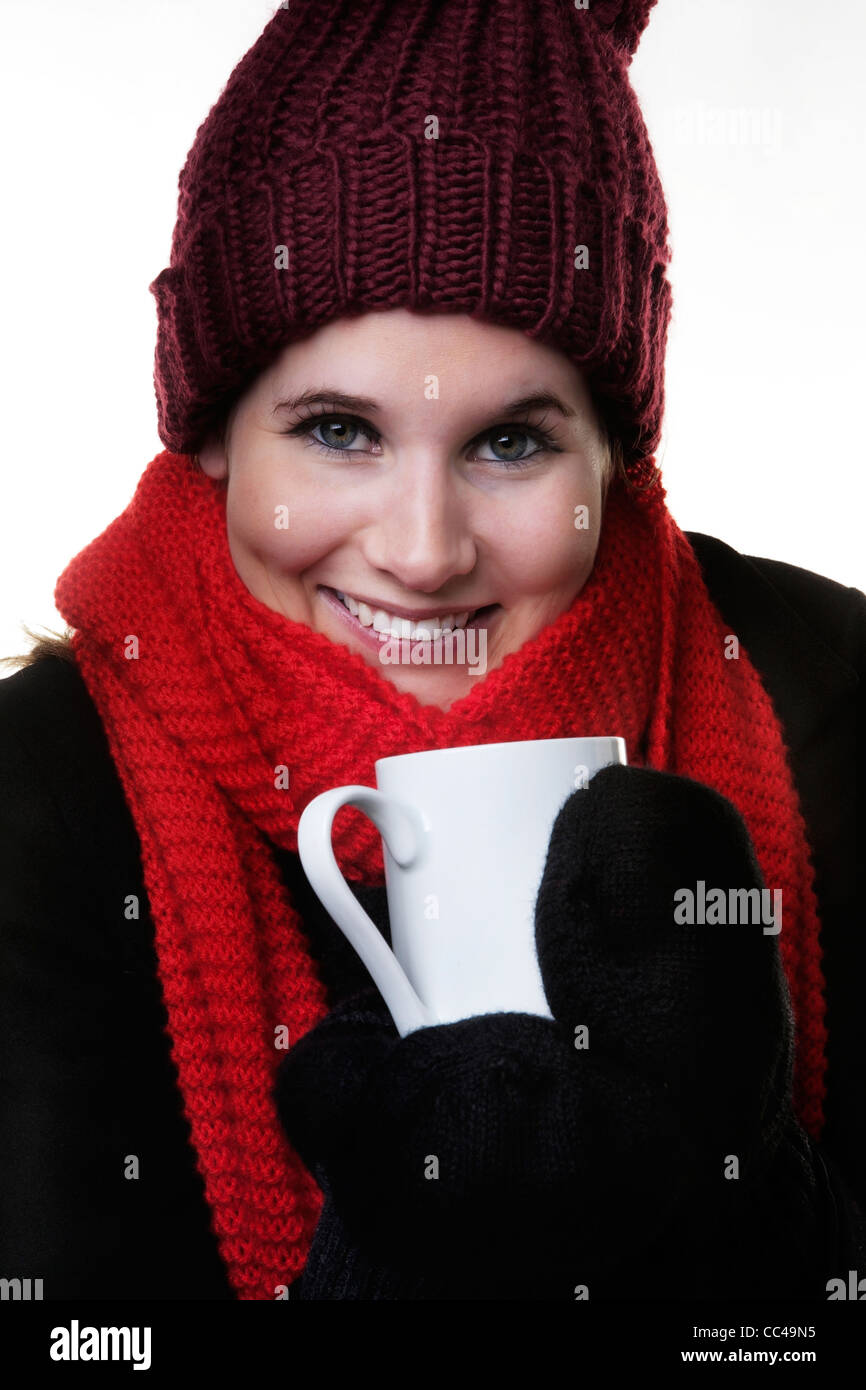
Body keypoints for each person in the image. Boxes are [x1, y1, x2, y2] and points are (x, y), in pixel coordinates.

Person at [0, 0, 863, 1302]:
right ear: (216, 435)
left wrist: (746, 1211)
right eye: (338, 430)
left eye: (509, 441)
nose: (420, 549)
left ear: (614, 455)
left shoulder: (828, 696)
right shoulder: (37, 801)